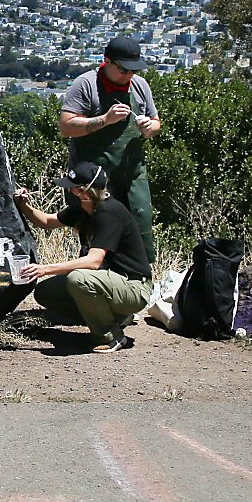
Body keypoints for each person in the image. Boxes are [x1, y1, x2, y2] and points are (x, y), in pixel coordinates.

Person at [12, 161, 152, 352]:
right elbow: (46, 221)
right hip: (109, 281)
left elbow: (94, 262)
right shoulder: (83, 209)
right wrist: (23, 205)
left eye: (73, 188)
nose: (70, 191)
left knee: (78, 279)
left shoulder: (110, 212)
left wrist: (45, 269)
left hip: (133, 287)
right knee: (46, 292)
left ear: (85, 191)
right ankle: (115, 316)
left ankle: (111, 336)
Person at [58, 35, 163, 260]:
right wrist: (105, 120)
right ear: (106, 61)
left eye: (134, 70)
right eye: (123, 69)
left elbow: (156, 123)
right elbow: (66, 126)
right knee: (98, 241)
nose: (129, 75)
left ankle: (139, 278)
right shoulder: (86, 85)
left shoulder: (140, 86)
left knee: (138, 239)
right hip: (94, 182)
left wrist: (149, 128)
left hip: (132, 178)